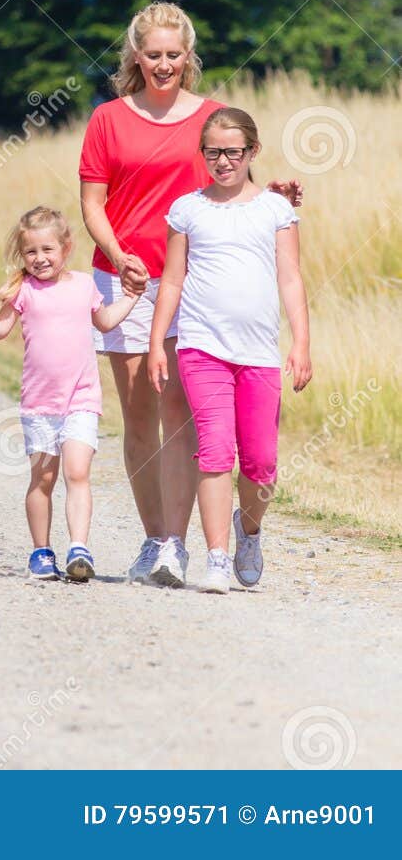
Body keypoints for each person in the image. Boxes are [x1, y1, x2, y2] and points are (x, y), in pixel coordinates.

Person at [78, 2, 300, 588]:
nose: (163, 64)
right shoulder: (108, 120)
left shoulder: (208, 117)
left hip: (193, 283)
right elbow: (92, 204)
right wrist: (120, 252)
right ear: (135, 56)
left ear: (189, 57)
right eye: (152, 54)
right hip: (123, 278)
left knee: (182, 416)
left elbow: (228, 182)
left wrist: (271, 193)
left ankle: (177, 544)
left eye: (174, 54)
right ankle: (156, 538)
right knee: (140, 416)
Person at [149, 106, 312, 593]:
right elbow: (173, 279)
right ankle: (216, 556)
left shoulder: (276, 210)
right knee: (215, 451)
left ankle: (249, 531)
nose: (222, 162)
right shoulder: (187, 209)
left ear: (252, 153)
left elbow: (291, 277)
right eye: (213, 152)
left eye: (232, 152)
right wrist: (158, 342)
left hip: (259, 353)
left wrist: (301, 342)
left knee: (260, 463)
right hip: (202, 348)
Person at [0, 206, 142, 581]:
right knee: (42, 480)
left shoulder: (82, 285)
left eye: (47, 250)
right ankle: (41, 551)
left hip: (81, 399)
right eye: (31, 252)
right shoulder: (22, 290)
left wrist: (132, 297)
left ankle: (80, 548)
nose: (39, 259)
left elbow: (105, 321)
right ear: (22, 254)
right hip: (40, 405)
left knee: (78, 474)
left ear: (65, 247)